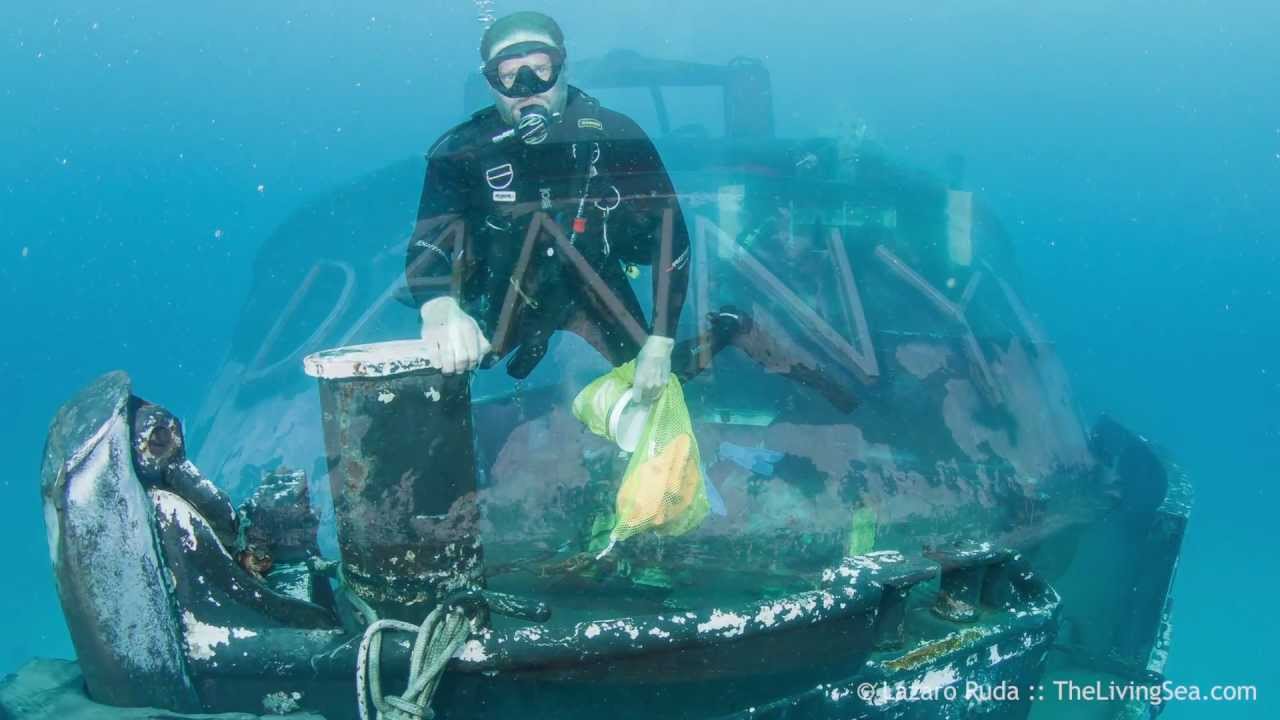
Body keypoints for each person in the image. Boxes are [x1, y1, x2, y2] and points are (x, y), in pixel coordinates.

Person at [405, 11, 687, 401]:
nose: (527, 87)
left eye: (540, 69)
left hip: (596, 283)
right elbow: (430, 240)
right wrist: (439, 307)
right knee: (450, 376)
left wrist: (661, 340)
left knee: (652, 393)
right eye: (509, 75)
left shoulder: (617, 137)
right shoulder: (462, 153)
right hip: (504, 289)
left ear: (563, 68)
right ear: (491, 84)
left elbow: (671, 236)